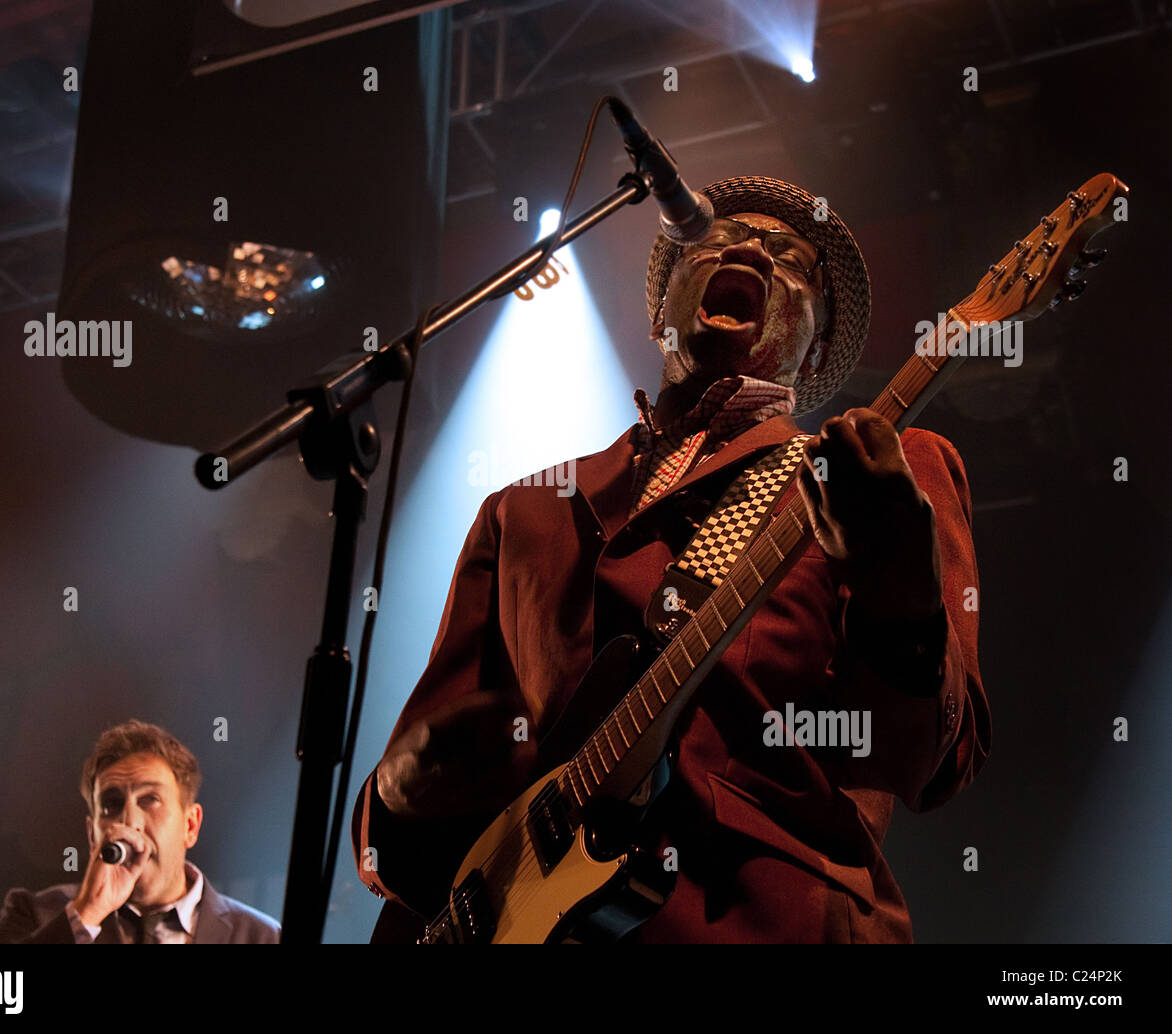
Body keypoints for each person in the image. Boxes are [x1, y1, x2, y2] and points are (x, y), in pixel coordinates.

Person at [351, 176, 991, 943]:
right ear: (661, 311)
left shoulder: (875, 474)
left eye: (789, 255)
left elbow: (933, 765)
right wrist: (399, 795)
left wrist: (900, 587)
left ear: (817, 344)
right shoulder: (526, 512)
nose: (749, 248)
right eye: (716, 240)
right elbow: (433, 791)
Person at [0, 719, 279, 943]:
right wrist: (85, 914)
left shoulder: (261, 937)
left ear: (190, 825)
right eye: (111, 805)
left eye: (149, 800)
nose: (129, 821)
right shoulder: (35, 914)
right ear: (92, 836)